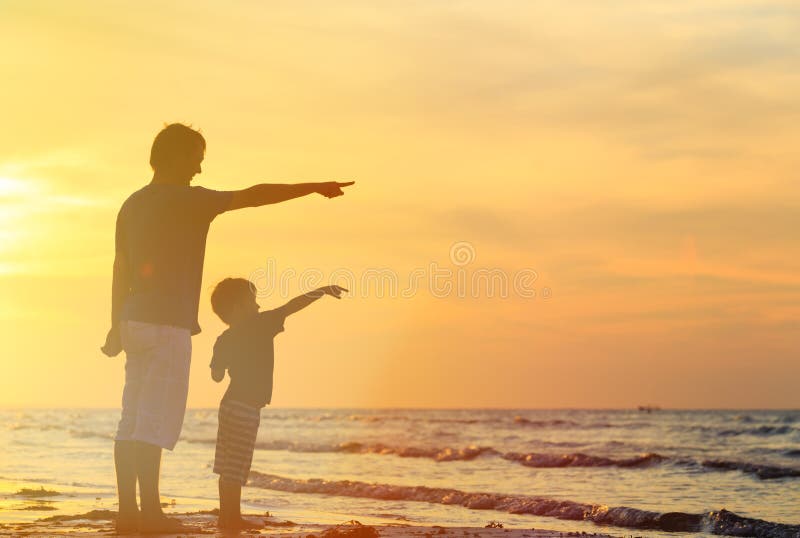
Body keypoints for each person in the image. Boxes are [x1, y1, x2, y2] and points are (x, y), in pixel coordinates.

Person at [100, 123, 354, 533]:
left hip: (132, 320)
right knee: (152, 420)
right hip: (167, 325)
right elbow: (256, 195)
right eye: (197, 156)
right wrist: (312, 187)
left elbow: (120, 268)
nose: (200, 167)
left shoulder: (131, 204)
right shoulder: (189, 200)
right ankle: (150, 514)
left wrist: (115, 325)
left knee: (130, 419)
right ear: (177, 155)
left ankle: (129, 510)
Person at [208, 278, 347, 529]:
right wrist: (322, 290)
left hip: (228, 405)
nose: (258, 305)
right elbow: (292, 306)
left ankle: (225, 517)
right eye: (253, 301)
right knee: (236, 466)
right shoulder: (260, 324)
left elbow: (216, 375)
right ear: (238, 307)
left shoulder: (224, 338)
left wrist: (224, 360)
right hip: (245, 408)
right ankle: (233, 518)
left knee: (227, 464)